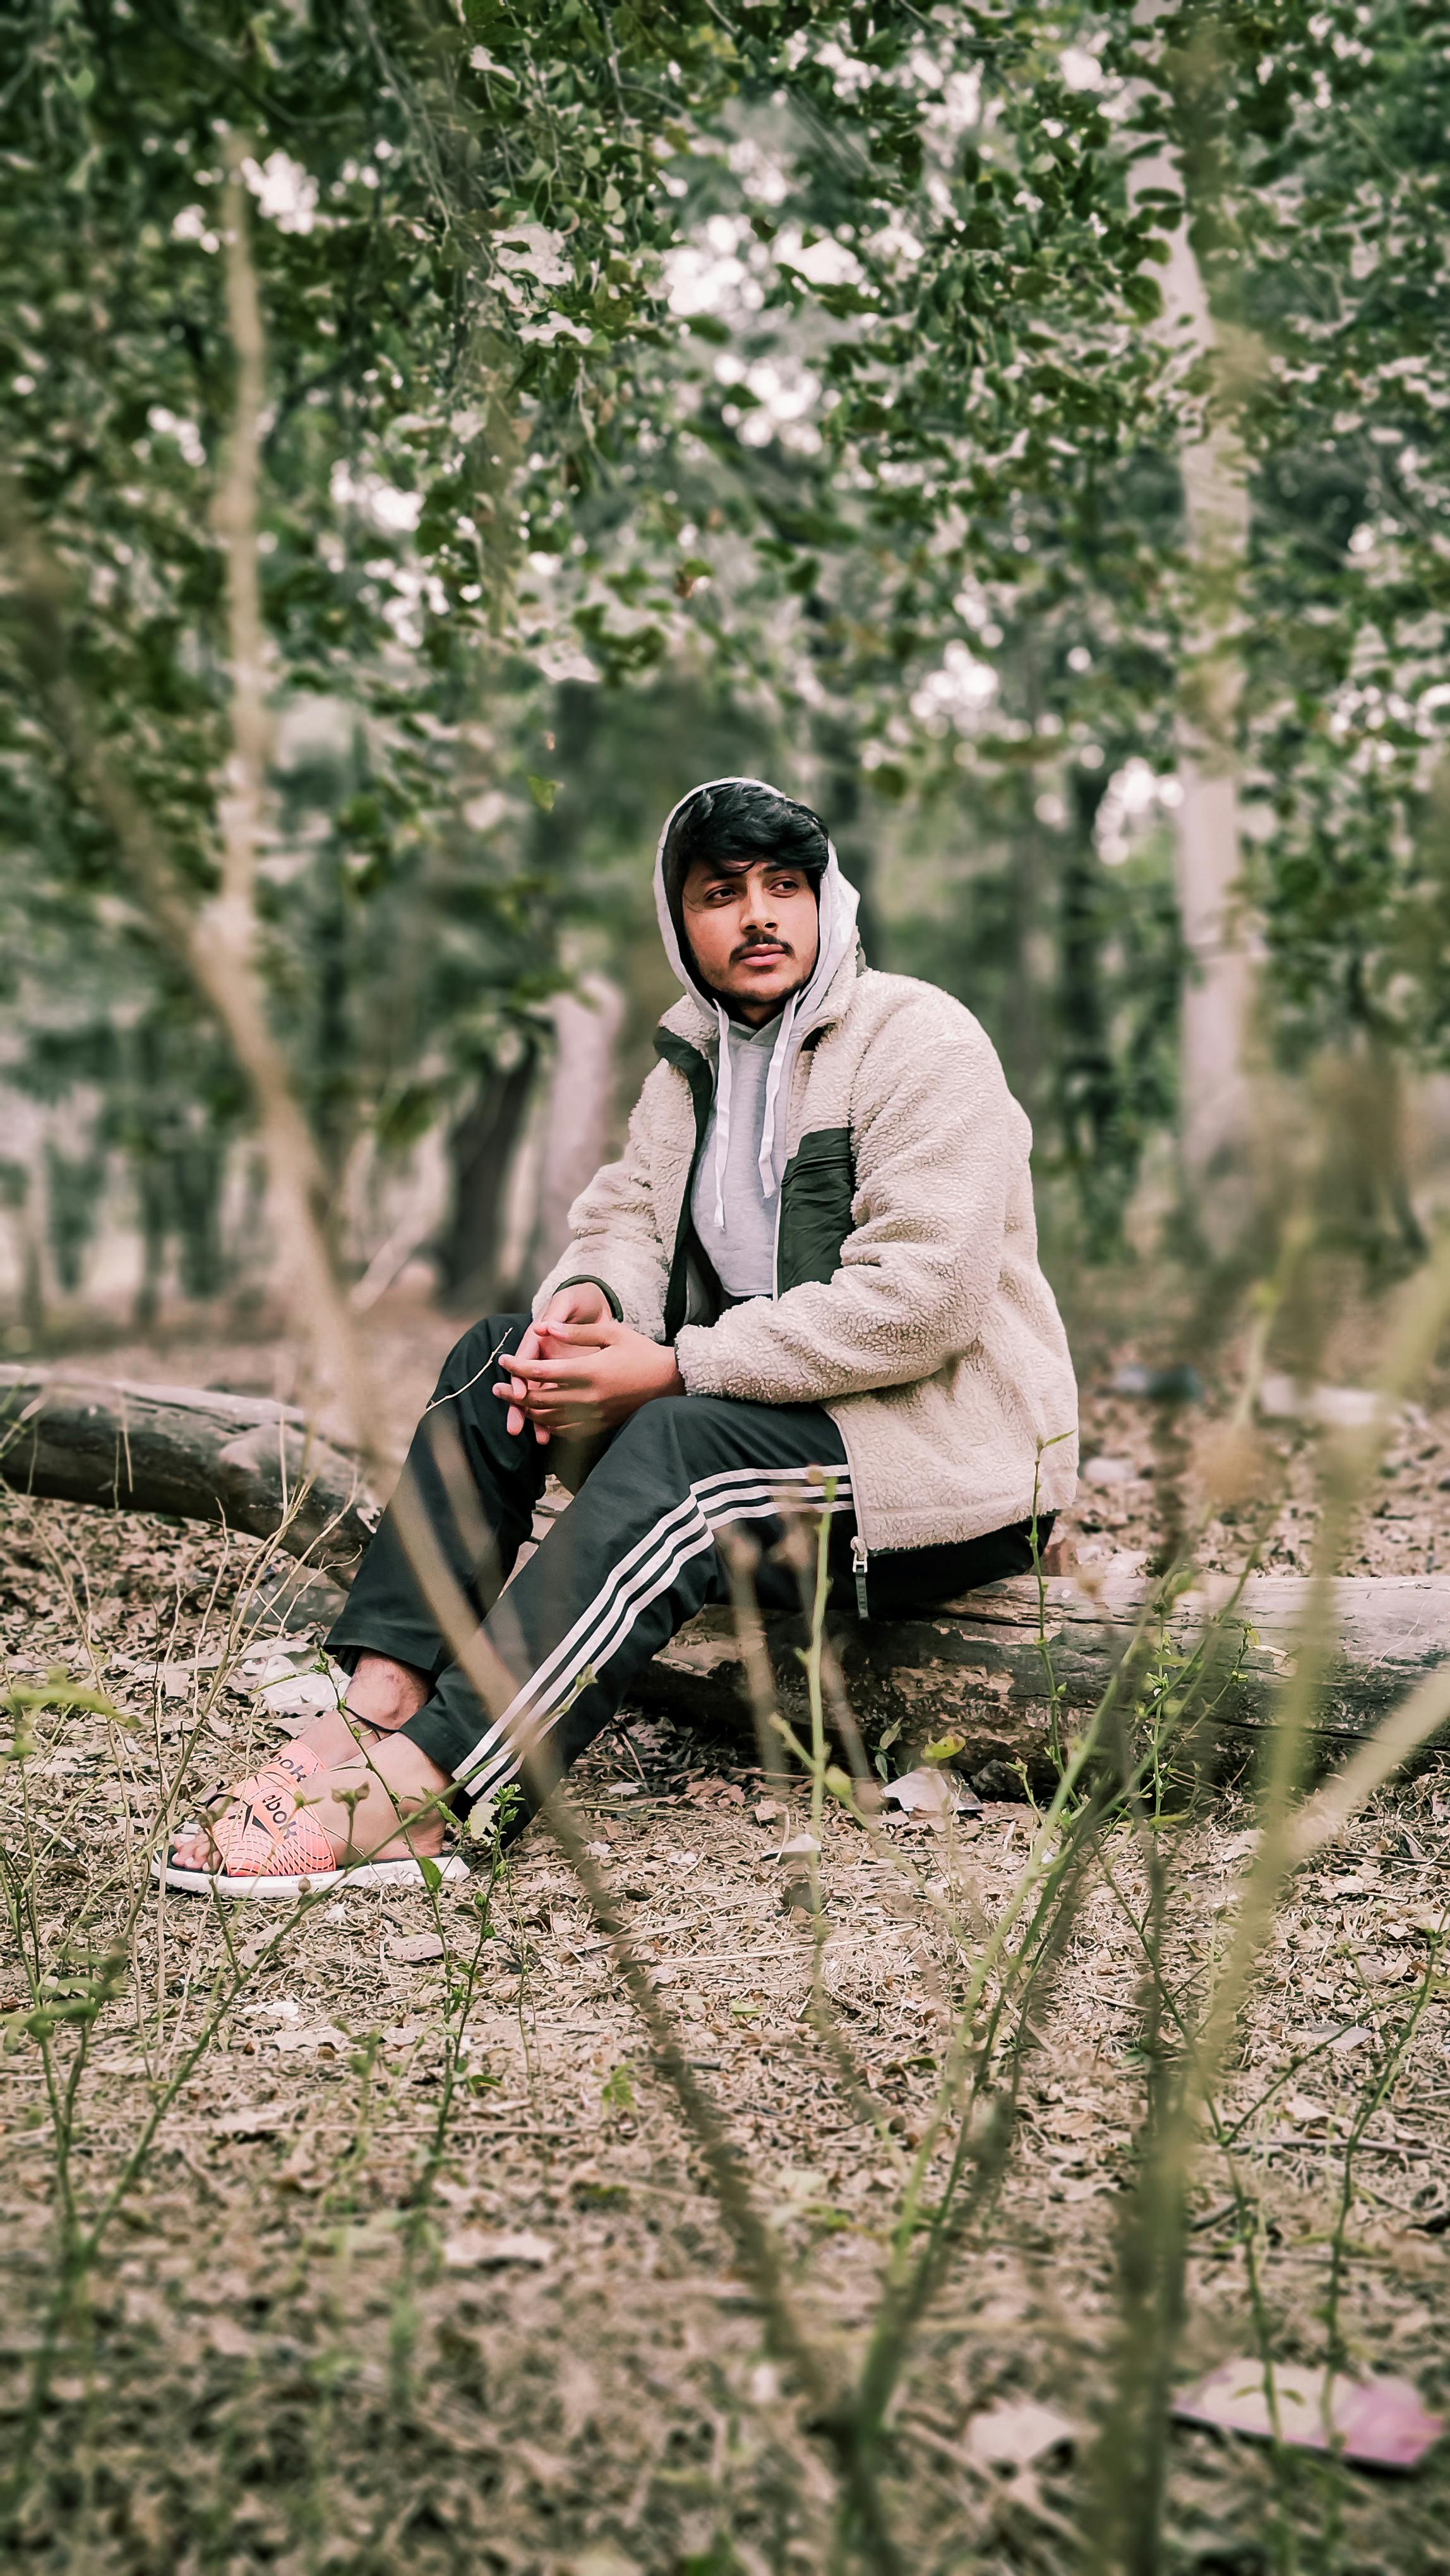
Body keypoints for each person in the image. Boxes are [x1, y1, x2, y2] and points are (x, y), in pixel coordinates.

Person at [165, 778, 1078, 1894]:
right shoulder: (688, 1065)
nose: (758, 916)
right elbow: (625, 1221)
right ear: (678, 919)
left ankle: (434, 1789)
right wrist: (592, 1305)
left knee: (684, 1447)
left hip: (931, 1476)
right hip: (758, 1443)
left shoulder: (915, 1039)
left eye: (784, 887)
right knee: (493, 1365)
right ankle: (381, 1703)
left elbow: (923, 1301)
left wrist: (676, 1365)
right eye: (721, 893)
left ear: (826, 900)